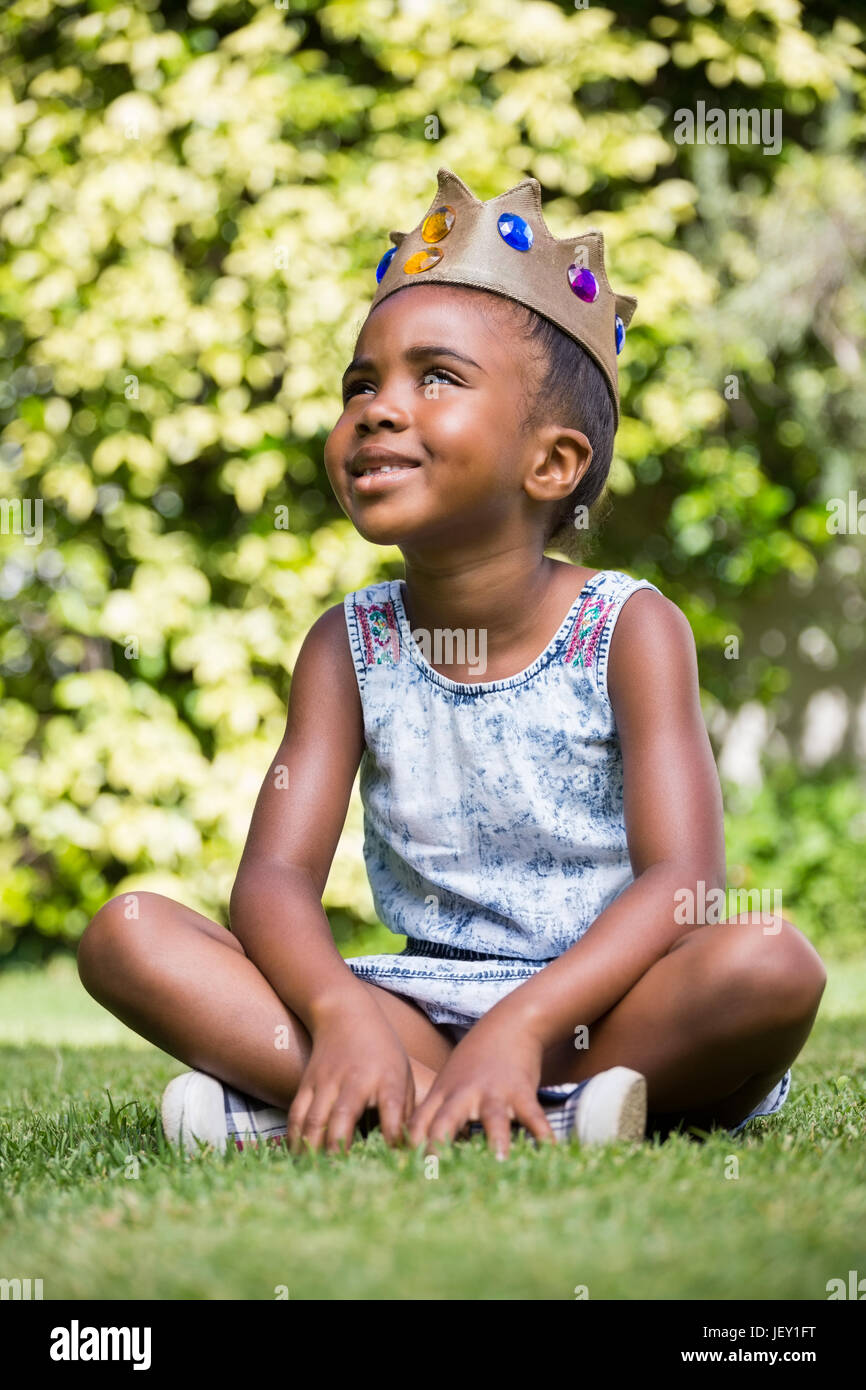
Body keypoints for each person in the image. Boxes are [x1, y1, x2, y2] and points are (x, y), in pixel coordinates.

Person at [77, 168, 826, 1162]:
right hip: (412, 1010)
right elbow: (271, 882)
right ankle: (492, 1107)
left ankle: (374, 1105)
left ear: (550, 464)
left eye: (435, 378)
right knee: (126, 931)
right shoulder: (345, 645)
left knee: (769, 961)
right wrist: (338, 1009)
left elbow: (683, 880)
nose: (378, 409)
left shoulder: (630, 627)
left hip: (597, 1015)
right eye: (361, 383)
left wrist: (522, 1027)